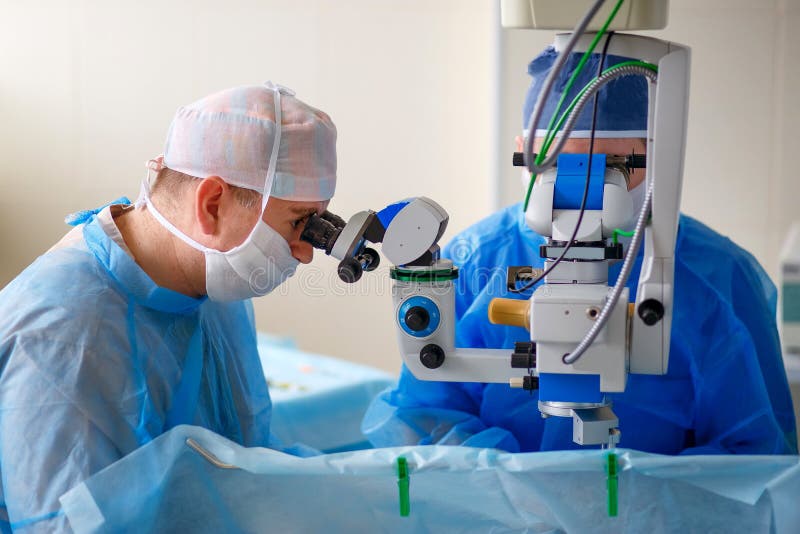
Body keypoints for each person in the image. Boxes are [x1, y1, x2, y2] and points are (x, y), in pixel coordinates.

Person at [363, 41, 798, 456]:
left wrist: (637, 501)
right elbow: (426, 417)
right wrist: (520, 493)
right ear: (522, 152)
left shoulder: (721, 279)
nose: (577, 191)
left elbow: (755, 454)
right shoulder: (475, 261)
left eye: (609, 167)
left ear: (655, 157)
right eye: (550, 165)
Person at [0, 82, 337, 532]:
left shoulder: (209, 291)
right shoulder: (60, 333)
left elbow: (239, 468)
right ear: (211, 203)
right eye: (299, 223)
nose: (305, 252)